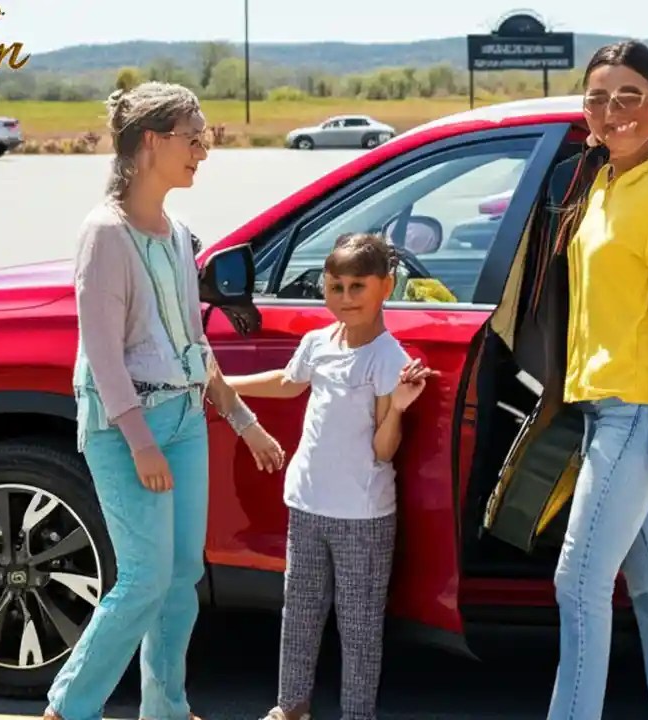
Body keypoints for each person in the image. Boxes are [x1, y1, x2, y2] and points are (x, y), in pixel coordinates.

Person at [44, 82, 287, 720]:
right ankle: (67, 708)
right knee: (144, 580)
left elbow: (190, 339)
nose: (204, 149)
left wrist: (242, 417)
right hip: (128, 428)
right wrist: (140, 438)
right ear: (152, 142)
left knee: (181, 582)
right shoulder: (105, 234)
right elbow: (101, 351)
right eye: (194, 136)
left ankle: (167, 709)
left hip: (183, 419)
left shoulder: (178, 233)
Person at [542, 40, 648, 720]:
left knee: (578, 584)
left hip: (638, 414)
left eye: (629, 97)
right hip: (603, 410)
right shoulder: (608, 181)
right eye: (598, 99)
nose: (613, 112)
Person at [223, 233, 436, 720]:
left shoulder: (388, 359)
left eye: (357, 287)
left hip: (361, 513)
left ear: (386, 286)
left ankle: (357, 714)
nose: (344, 298)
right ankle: (291, 706)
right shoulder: (317, 342)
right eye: (335, 287)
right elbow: (288, 381)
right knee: (299, 612)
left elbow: (383, 452)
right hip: (307, 500)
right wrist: (226, 385)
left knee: (359, 625)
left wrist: (398, 409)